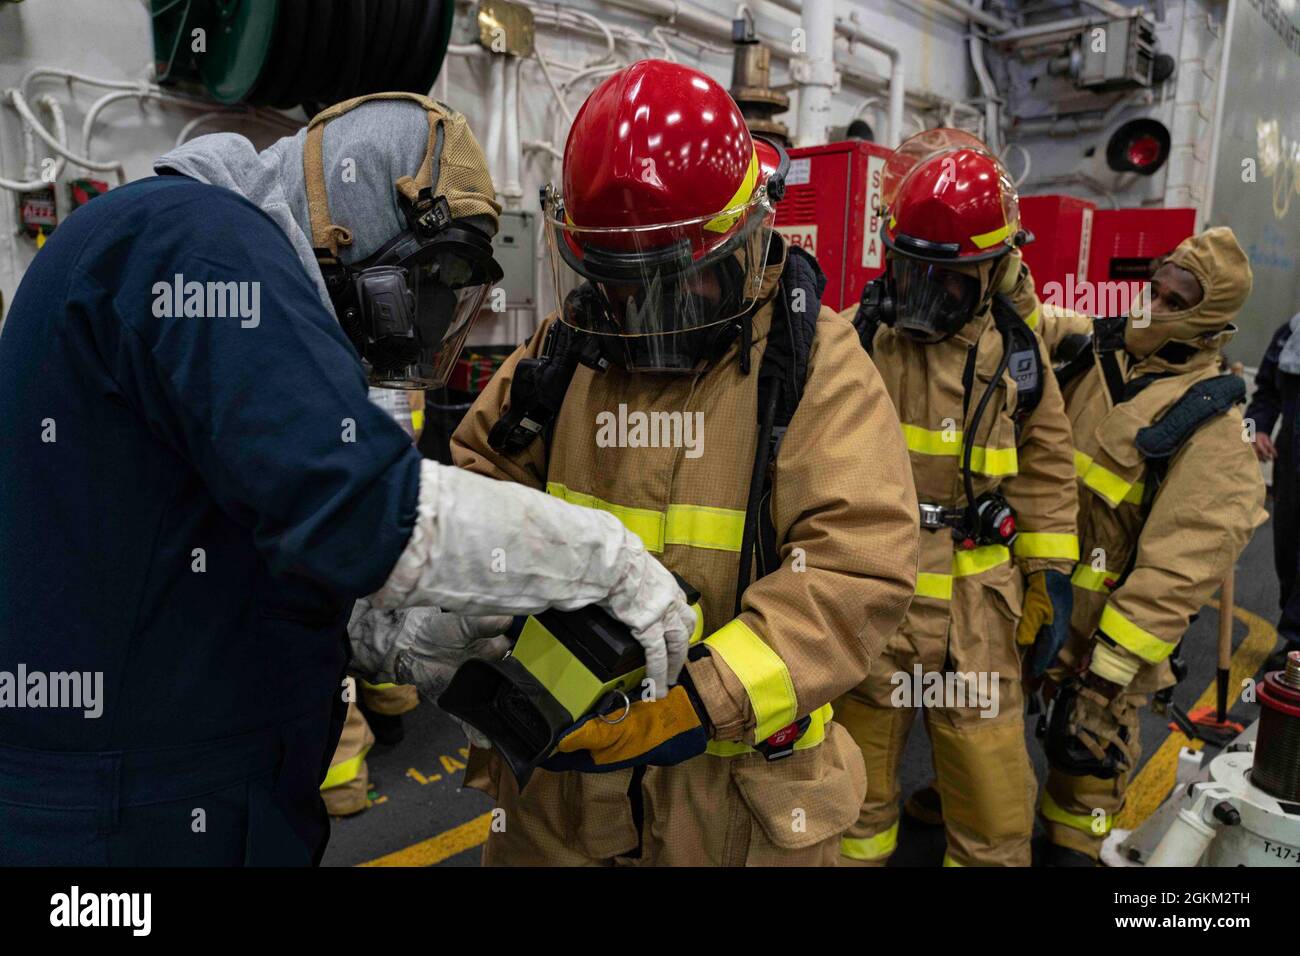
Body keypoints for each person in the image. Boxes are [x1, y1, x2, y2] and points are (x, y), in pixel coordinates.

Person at [0, 93, 695, 866]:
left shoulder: (183, 242)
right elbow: (362, 509)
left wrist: (384, 635)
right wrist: (605, 557)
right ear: (349, 225)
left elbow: (229, 537)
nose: (418, 327)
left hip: (165, 787)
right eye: (419, 291)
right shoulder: (199, 242)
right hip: (121, 815)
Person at [449, 60, 920, 866]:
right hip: (560, 793)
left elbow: (856, 564)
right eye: (618, 284)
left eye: (676, 284)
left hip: (731, 802)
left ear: (745, 240)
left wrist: (703, 699)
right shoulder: (564, 349)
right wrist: (479, 620)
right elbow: (479, 485)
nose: (641, 315)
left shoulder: (814, 363)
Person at [838, 131, 1079, 866]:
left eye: (947, 278)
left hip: (977, 610)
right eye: (911, 269)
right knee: (849, 794)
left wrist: (1050, 574)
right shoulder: (857, 337)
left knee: (992, 805)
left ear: (993, 269)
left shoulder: (1017, 354)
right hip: (875, 588)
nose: (922, 291)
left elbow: (1046, 470)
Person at [1040, 227, 1267, 865]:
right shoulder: (1095, 352)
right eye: (1155, 290)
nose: (1154, 308)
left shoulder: (1213, 430)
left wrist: (1104, 682)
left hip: (1102, 638)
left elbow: (1175, 573)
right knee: (978, 740)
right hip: (1032, 602)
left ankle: (1070, 848)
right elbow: (1032, 317)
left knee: (1082, 777)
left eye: (1176, 302)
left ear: (1210, 319)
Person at [1245, 312, 1300, 672]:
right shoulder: (1292, 333)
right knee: (1288, 550)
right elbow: (1264, 391)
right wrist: (1254, 431)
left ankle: (1297, 643)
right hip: (1291, 464)